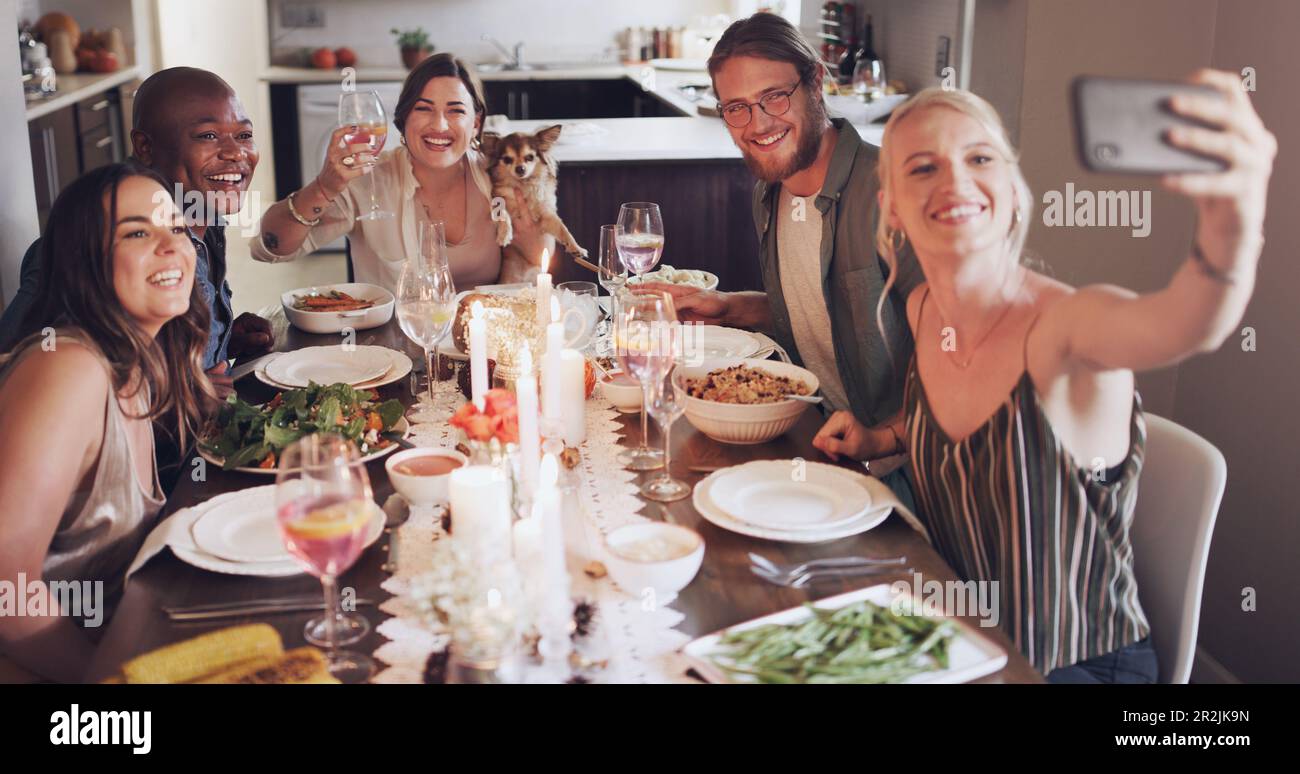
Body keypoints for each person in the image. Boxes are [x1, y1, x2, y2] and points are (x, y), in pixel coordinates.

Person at [817, 77, 1273, 681]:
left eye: (979, 158)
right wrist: (882, 439)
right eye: (923, 168)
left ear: (1010, 185)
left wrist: (1233, 219)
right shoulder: (922, 307)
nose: (955, 181)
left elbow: (1188, 321)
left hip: (1075, 666)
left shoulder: (1068, 328)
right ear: (892, 206)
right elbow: (945, 426)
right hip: (961, 641)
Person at [637, 13, 922, 499]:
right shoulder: (771, 193)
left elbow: (962, 356)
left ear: (814, 81)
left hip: (899, 476)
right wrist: (731, 308)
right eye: (737, 108)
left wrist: (886, 438)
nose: (759, 124)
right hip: (812, 443)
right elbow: (825, 312)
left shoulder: (893, 194)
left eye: (774, 96)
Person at [0, 162, 217, 682]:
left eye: (177, 228)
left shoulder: (139, 362)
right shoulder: (69, 367)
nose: (172, 246)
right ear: (85, 261)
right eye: (138, 232)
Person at [0, 67, 273, 392]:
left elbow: (157, 344)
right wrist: (179, 394)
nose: (235, 153)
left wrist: (221, 341)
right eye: (208, 136)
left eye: (243, 135)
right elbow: (16, 368)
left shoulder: (204, 214)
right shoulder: (87, 240)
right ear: (145, 147)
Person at [250, 53, 553, 291]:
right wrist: (324, 187)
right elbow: (270, 248)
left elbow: (538, 258)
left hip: (482, 349)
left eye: (456, 110)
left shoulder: (498, 175)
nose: (439, 125)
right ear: (404, 117)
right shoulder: (368, 181)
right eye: (423, 108)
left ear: (475, 122)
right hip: (393, 356)